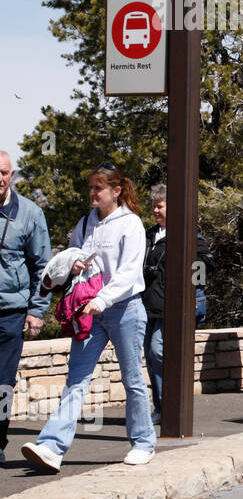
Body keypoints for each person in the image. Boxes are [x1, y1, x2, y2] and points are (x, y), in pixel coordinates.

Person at [22, 163, 156, 471]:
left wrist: (104, 299)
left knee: (133, 378)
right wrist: (73, 266)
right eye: (91, 187)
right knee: (76, 379)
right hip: (88, 310)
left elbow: (129, 272)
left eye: (98, 188)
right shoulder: (86, 223)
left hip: (124, 309)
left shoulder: (131, 224)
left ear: (116, 191)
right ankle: (52, 447)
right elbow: (72, 257)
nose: (92, 193)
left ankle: (143, 442)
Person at [142, 183, 214, 420]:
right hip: (149, 305)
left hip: (174, 306)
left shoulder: (188, 234)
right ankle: (161, 407)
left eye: (160, 206)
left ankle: (171, 404)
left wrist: (191, 288)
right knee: (151, 357)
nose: (155, 210)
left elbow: (205, 264)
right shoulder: (150, 235)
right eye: (153, 206)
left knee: (157, 350)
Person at [0, 151, 51, 465]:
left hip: (12, 313)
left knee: (3, 384)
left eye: (4, 172)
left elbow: (43, 268)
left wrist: (37, 311)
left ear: (12, 174)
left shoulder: (30, 213)